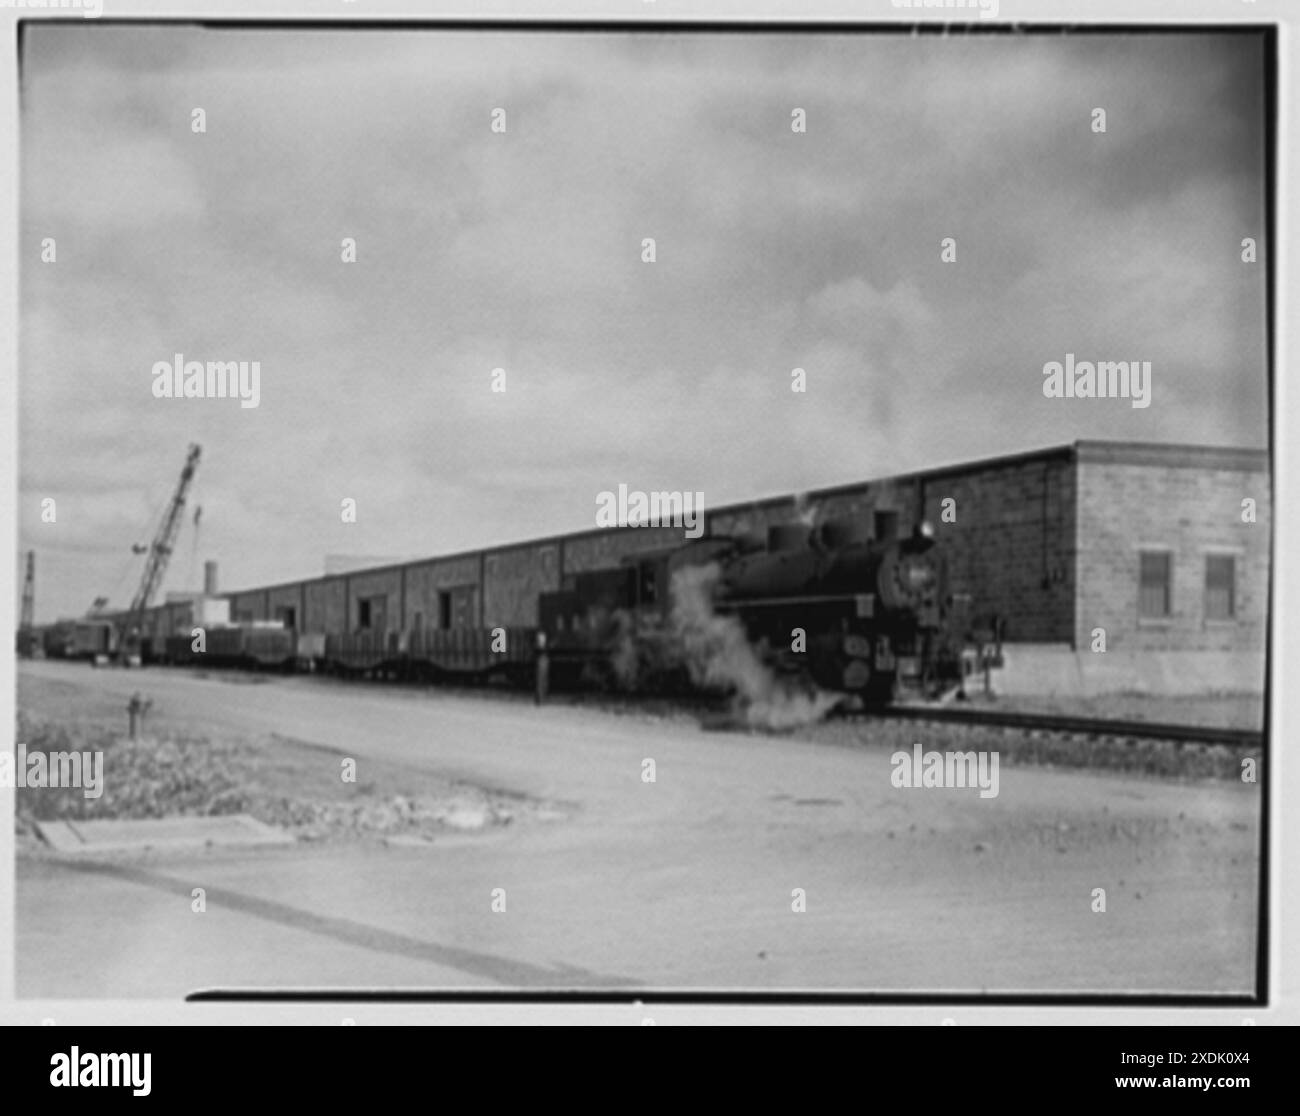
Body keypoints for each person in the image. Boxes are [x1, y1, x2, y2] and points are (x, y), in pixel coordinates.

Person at [534, 630, 550, 705]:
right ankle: (539, 700)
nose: (542, 640)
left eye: (543, 638)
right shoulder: (538, 647)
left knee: (544, 681)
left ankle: (542, 699)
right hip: (541, 662)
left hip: (544, 661)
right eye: (541, 638)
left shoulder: (544, 646)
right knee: (540, 681)